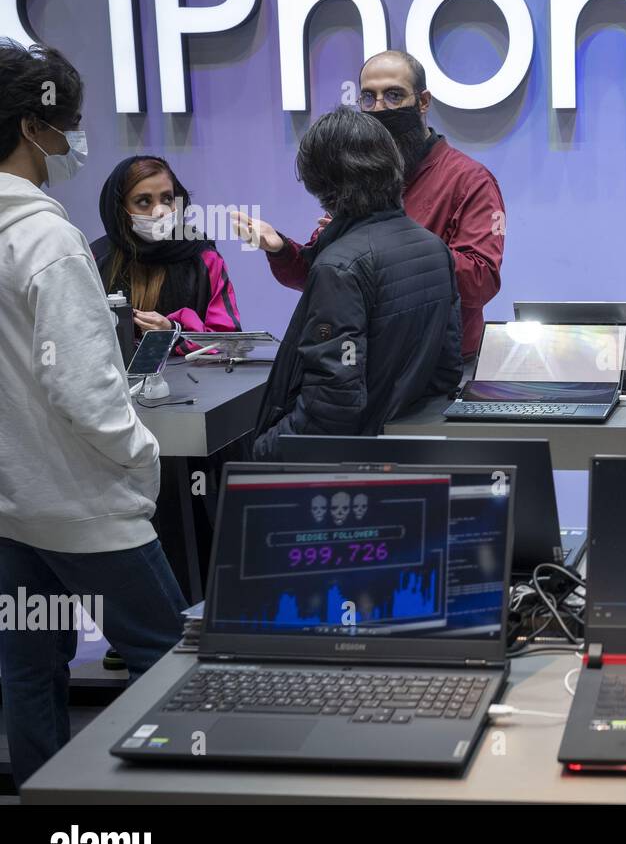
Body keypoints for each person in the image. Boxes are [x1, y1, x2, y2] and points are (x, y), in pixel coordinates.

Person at [0, 40, 185, 787]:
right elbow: (83, 391)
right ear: (32, 127)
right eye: (69, 122)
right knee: (171, 662)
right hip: (84, 507)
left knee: (29, 668)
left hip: (11, 507)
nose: (74, 139)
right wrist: (140, 455)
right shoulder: (47, 238)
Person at [236, 49, 504, 360]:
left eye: (393, 95)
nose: (379, 108)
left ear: (423, 101)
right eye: (368, 98)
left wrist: (391, 243)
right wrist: (281, 249)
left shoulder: (470, 180)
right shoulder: (358, 177)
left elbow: (481, 282)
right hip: (369, 361)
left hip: (440, 362)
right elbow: (320, 276)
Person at [251, 105, 463, 459]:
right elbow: (446, 370)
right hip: (404, 460)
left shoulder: (339, 267)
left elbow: (332, 404)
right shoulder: (433, 247)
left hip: (344, 468)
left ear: (320, 181)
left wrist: (263, 451)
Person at [91, 155, 241, 346]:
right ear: (121, 209)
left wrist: (174, 333)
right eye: (144, 201)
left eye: (167, 199)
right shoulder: (97, 259)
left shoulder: (203, 256)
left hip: (194, 375)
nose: (160, 211)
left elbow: (230, 342)